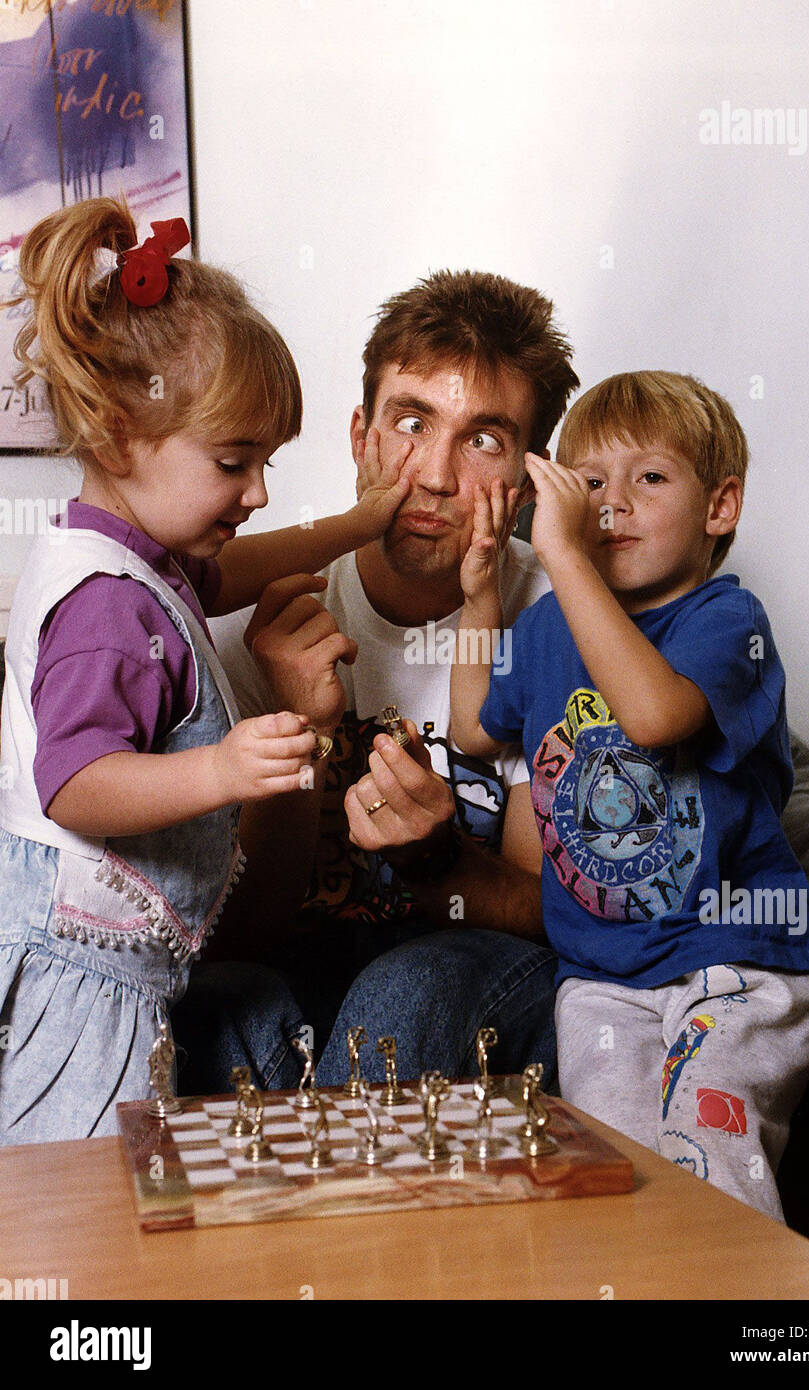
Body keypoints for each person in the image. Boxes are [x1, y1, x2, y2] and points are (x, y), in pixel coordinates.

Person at [0, 197, 410, 1142]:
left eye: (264, 461)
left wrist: (363, 521)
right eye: (234, 462)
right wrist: (221, 770)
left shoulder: (139, 554)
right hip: (81, 984)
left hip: (125, 973)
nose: (257, 491)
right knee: (87, 1208)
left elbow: (242, 566)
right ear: (115, 434)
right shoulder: (104, 602)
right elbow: (75, 781)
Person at [449, 370, 809, 1219]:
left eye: (648, 478)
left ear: (718, 507)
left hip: (735, 963)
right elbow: (474, 726)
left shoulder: (728, 623)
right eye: (588, 483)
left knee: (705, 1157)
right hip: (602, 980)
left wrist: (563, 555)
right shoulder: (548, 625)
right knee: (608, 1181)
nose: (610, 502)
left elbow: (653, 715)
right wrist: (480, 598)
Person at [196, 269, 580, 1090]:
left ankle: (336, 1221)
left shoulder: (562, 621)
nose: (433, 476)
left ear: (530, 477)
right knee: (223, 1008)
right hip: (302, 969)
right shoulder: (263, 612)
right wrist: (303, 742)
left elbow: (555, 916)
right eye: (411, 422)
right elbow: (237, 936)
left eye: (483, 439)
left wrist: (440, 865)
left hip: (483, 975)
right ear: (360, 435)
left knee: (407, 987)